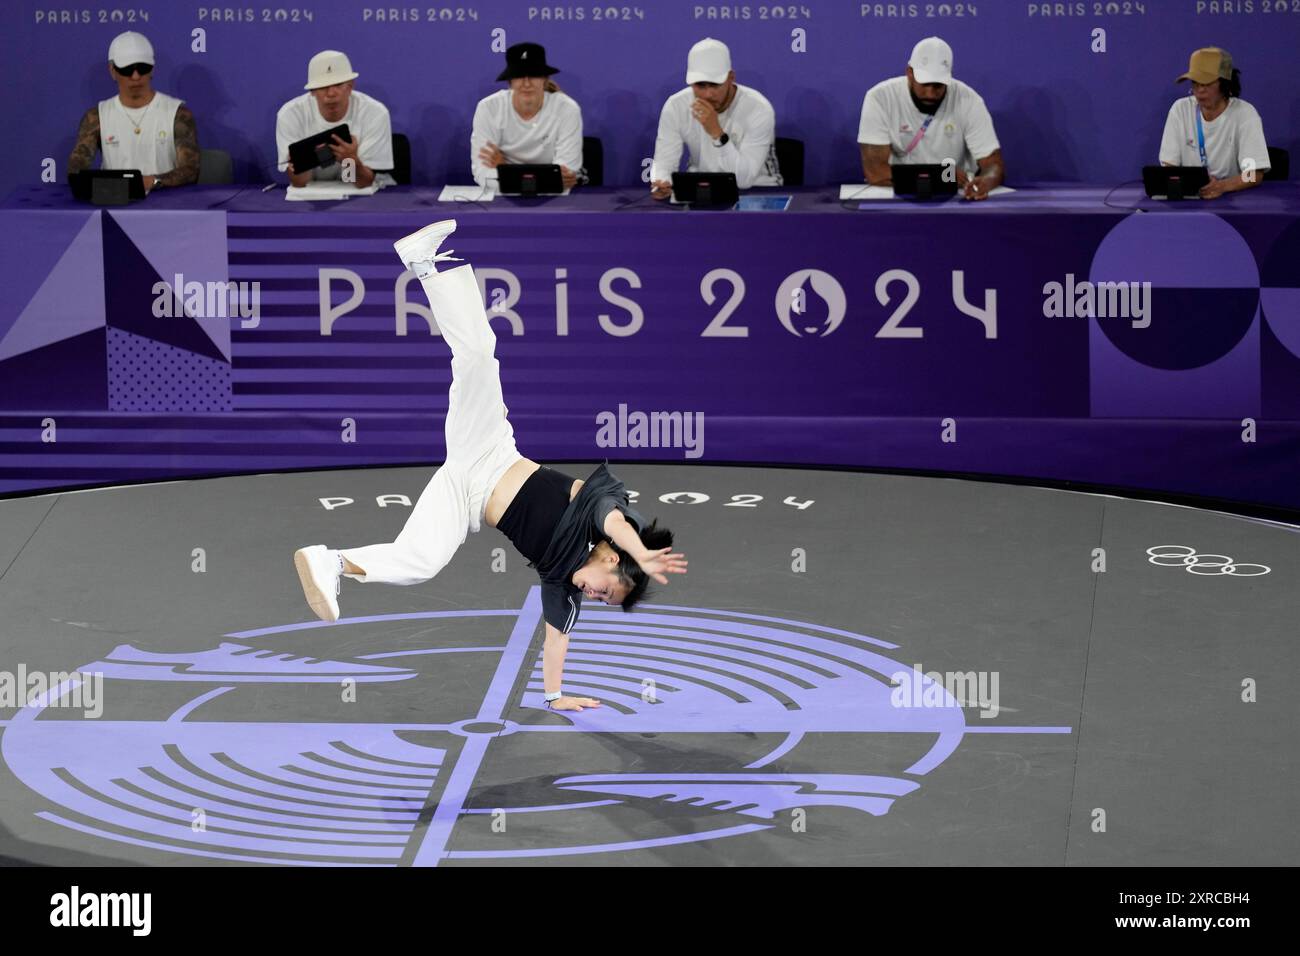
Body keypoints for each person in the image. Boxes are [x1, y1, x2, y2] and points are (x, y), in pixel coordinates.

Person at [293, 220, 687, 713]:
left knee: (422, 561)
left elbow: (557, 638)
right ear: (611, 560)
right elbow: (615, 524)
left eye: (603, 602)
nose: (596, 597)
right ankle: (424, 264)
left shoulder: (563, 580)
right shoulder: (601, 512)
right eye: (607, 592)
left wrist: (555, 696)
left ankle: (331, 561)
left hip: (467, 497)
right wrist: (643, 555)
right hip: (489, 450)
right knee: (477, 356)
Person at [857, 36, 1004, 201]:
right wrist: (941, 176)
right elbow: (875, 172)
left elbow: (993, 165)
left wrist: (984, 182)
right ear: (910, 73)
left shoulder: (969, 100)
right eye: (925, 84)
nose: (930, 93)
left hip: (956, 196)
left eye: (938, 85)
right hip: (901, 194)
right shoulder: (880, 98)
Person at [650, 37, 782, 199]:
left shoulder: (758, 108)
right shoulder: (676, 106)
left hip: (758, 191)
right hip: (702, 190)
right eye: (700, 85)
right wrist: (662, 182)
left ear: (731, 78)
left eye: (714, 85)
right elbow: (664, 161)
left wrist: (717, 133)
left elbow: (744, 180)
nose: (708, 94)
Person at [67, 31, 199, 192]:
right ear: (112, 70)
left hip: (166, 200)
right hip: (114, 200)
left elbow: (191, 169)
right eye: (127, 69)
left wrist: (153, 181)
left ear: (152, 69)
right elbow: (76, 169)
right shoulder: (97, 117)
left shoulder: (177, 113)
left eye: (143, 68)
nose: (136, 77)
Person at [471, 42, 585, 190]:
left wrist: (504, 168)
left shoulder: (567, 109)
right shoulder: (488, 108)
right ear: (510, 81)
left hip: (553, 199)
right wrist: (547, 180)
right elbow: (483, 175)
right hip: (503, 199)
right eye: (519, 76)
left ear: (545, 79)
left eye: (533, 75)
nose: (526, 83)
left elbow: (566, 176)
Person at [1159, 47, 1270, 199]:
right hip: (1191, 200)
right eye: (1195, 83)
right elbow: (1169, 167)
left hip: (1233, 199)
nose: (1200, 90)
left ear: (1225, 84)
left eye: (1207, 83)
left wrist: (1222, 186)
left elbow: (1253, 175)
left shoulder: (1245, 114)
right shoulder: (1180, 110)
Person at [276, 50, 393, 189]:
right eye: (323, 87)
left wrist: (350, 161)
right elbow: (300, 183)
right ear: (312, 91)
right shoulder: (291, 115)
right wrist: (299, 163)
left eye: (338, 85)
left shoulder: (374, 113)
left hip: (356, 191)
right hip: (313, 192)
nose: (331, 93)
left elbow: (361, 183)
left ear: (350, 86)